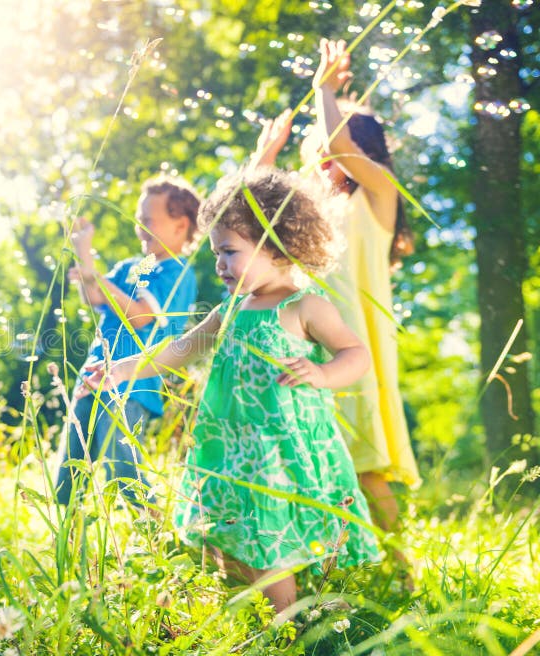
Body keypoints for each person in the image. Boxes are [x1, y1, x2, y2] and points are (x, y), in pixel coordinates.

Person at [80, 167, 380, 613]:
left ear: (275, 246)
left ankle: (288, 625)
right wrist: (124, 369)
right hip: (232, 446)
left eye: (229, 251)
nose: (219, 264)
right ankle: (253, 609)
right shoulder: (230, 308)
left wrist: (323, 373)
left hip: (281, 449)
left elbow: (355, 354)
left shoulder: (304, 307)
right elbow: (181, 348)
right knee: (231, 534)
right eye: (217, 252)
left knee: (271, 539)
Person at [254, 39, 421, 541]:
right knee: (303, 461)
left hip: (354, 349)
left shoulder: (379, 195)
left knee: (364, 465)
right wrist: (265, 158)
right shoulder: (310, 218)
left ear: (363, 153)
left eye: (332, 153)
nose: (324, 163)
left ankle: (401, 566)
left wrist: (323, 90)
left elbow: (340, 147)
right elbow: (251, 222)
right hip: (305, 342)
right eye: (317, 157)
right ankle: (330, 561)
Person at [54, 175, 200, 507]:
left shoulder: (176, 272)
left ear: (180, 226)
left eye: (149, 220)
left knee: (123, 469)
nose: (140, 228)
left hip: (131, 385)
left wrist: (97, 278)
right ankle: (67, 529)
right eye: (138, 219)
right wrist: (82, 251)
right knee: (70, 468)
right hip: (93, 375)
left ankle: (152, 524)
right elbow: (94, 296)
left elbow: (140, 316)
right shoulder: (132, 266)